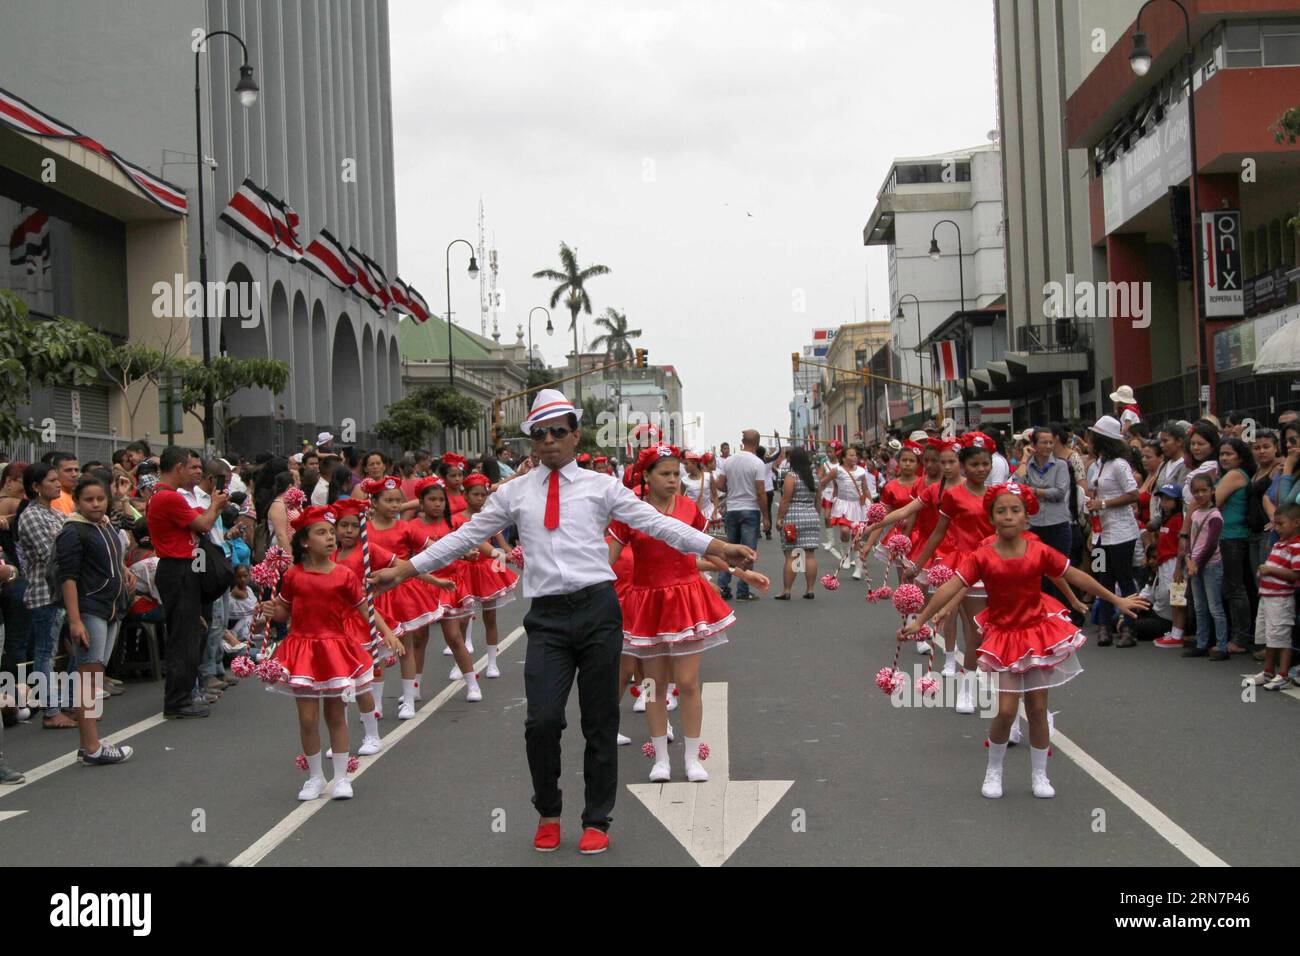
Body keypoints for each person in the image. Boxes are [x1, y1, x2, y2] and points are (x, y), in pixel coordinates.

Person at [368, 388, 756, 856]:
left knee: (600, 720)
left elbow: (659, 525)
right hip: (548, 618)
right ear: (532, 439)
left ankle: (597, 818)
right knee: (542, 720)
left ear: (574, 436)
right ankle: (548, 810)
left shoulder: (601, 487)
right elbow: (468, 534)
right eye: (540, 433)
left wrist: (717, 549)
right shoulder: (513, 492)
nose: (549, 440)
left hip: (598, 611)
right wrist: (407, 569)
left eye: (558, 432)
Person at [901, 482, 1146, 799]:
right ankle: (994, 770)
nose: (1008, 516)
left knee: (1038, 708)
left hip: (1036, 633)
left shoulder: (1039, 551)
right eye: (1000, 511)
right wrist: (920, 619)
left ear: (1026, 518)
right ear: (992, 518)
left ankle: (1040, 775)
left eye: (1015, 510)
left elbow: (1076, 575)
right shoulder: (982, 556)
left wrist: (1117, 600)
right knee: (1004, 710)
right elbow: (952, 586)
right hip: (1004, 635)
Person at [609, 443, 766, 783]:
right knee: (653, 684)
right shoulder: (630, 513)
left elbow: (702, 549)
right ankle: (660, 760)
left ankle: (692, 758)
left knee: (689, 682)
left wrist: (742, 574)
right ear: (646, 476)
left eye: (676, 474)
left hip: (685, 599)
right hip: (647, 601)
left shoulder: (688, 509)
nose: (672, 480)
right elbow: (606, 563)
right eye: (664, 474)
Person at [259, 505, 404, 801]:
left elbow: (365, 609)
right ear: (304, 541)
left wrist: (386, 632)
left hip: (336, 648)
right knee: (308, 720)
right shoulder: (293, 576)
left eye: (330, 533)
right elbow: (284, 613)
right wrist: (270, 611)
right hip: (301, 650)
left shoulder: (344, 575)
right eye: (321, 533)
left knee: (336, 715)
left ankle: (341, 777)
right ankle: (314, 777)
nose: (330, 538)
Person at [907, 433, 996, 712]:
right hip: (968, 566)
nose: (981, 469)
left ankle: (1000, 690)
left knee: (1000, 631)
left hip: (999, 566)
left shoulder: (999, 494)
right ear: (964, 466)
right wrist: (917, 564)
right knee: (977, 630)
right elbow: (937, 534)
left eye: (986, 464)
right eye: (975, 464)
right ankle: (966, 687)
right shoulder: (954, 496)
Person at [55, 476, 134, 765]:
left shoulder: (105, 525)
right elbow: (69, 578)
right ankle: (92, 747)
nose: (96, 504)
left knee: (94, 678)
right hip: (90, 610)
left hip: (112, 609)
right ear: (77, 501)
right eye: (89, 499)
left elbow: (111, 558)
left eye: (100, 498)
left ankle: (88, 744)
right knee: (88, 679)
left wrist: (123, 570)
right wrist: (75, 620)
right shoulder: (73, 531)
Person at [147, 446, 228, 719]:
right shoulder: (167, 497)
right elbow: (203, 525)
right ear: (179, 467)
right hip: (177, 567)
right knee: (182, 639)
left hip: (186, 567)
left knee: (191, 632)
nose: (195, 473)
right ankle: (178, 700)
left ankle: (185, 694)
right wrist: (216, 506)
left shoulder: (169, 497)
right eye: (190, 467)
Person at [15, 462, 72, 728]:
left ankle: (65, 702)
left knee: (64, 649)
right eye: (51, 480)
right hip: (44, 594)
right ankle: (51, 709)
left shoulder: (55, 514)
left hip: (62, 593)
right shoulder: (32, 515)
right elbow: (51, 554)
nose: (57, 483)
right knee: (45, 652)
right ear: (36, 487)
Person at [1084, 416, 1142, 648]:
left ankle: (1129, 627)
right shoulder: (1097, 465)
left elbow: (1133, 494)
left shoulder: (1119, 464)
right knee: (1103, 578)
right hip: (1100, 533)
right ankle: (1104, 626)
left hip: (1121, 533)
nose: (1088, 443)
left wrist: (1104, 504)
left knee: (1124, 578)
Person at [1248, 502, 1300, 690]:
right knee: (1269, 636)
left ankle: (1283, 674)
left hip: (1281, 598)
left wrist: (1269, 570)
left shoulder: (1296, 546)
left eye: (1281, 524)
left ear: (1296, 522)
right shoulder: (1279, 543)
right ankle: (1268, 670)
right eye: (1275, 524)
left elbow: (1296, 575)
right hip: (1267, 597)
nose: (1276, 527)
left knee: (1282, 637)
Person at [1214, 437, 1256, 654]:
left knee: (1235, 588)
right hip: (1229, 536)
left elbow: (1214, 500)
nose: (1224, 458)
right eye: (1221, 454)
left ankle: (1241, 638)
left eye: (1229, 454)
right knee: (1233, 587)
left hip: (1233, 537)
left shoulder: (1235, 475)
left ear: (1240, 457)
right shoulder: (1230, 475)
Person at [715, 429, 768, 601]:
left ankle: (723, 587)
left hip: (732, 509)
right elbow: (761, 492)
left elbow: (720, 484)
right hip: (750, 509)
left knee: (730, 551)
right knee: (748, 552)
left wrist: (733, 489)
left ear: (742, 441)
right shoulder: (757, 463)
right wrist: (766, 516)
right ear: (757, 443)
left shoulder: (729, 461)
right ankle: (743, 590)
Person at [1183, 472, 1229, 660]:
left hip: (1210, 565)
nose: (1200, 495)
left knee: (1214, 607)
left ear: (1212, 491)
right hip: (1194, 564)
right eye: (1196, 491)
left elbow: (1211, 545)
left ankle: (1221, 646)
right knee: (1200, 607)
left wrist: (1196, 563)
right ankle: (1202, 643)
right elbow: (1189, 539)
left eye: (1204, 490)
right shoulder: (1194, 514)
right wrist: (1188, 559)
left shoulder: (1215, 515)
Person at [773, 445, 822, 600]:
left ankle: (787, 590)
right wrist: (815, 514)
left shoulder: (791, 476)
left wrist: (780, 518)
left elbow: (785, 500)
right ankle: (810, 589)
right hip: (811, 515)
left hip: (794, 516)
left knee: (792, 554)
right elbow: (818, 499)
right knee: (810, 555)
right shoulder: (814, 477)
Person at [818, 443, 869, 580]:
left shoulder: (861, 471)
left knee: (857, 537)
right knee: (845, 531)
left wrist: (872, 505)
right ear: (844, 458)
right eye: (851, 455)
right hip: (843, 506)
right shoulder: (837, 470)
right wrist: (827, 493)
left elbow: (865, 489)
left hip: (858, 506)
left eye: (855, 455)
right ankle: (845, 555)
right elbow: (823, 482)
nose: (855, 457)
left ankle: (858, 568)